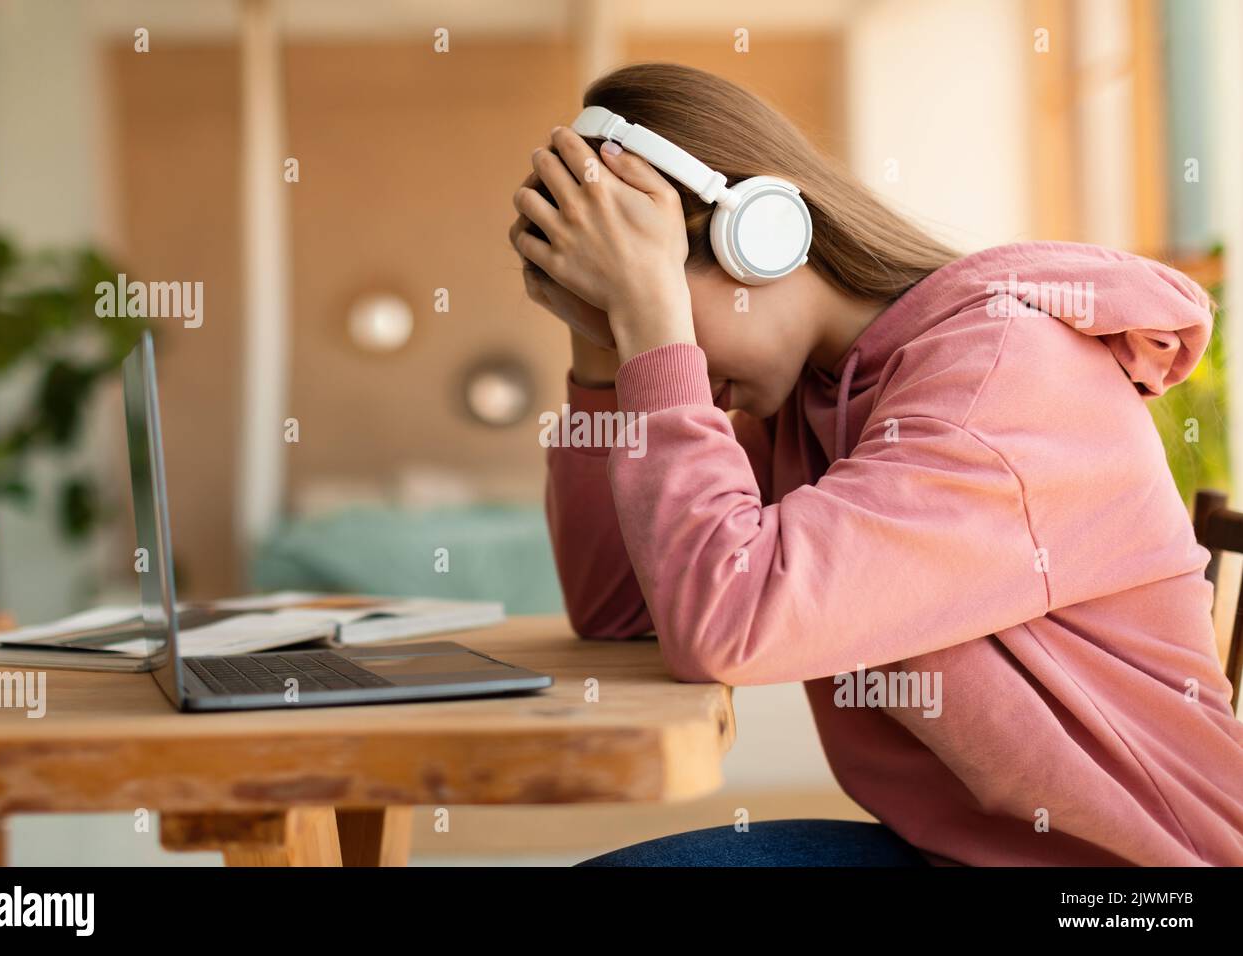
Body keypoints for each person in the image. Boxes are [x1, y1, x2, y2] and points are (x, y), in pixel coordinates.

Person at [508, 62, 1243, 866]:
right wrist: (602, 352)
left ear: (758, 235)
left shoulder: (1004, 380)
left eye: (647, 305)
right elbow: (620, 608)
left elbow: (726, 626)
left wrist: (654, 328)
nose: (658, 359)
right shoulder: (813, 395)